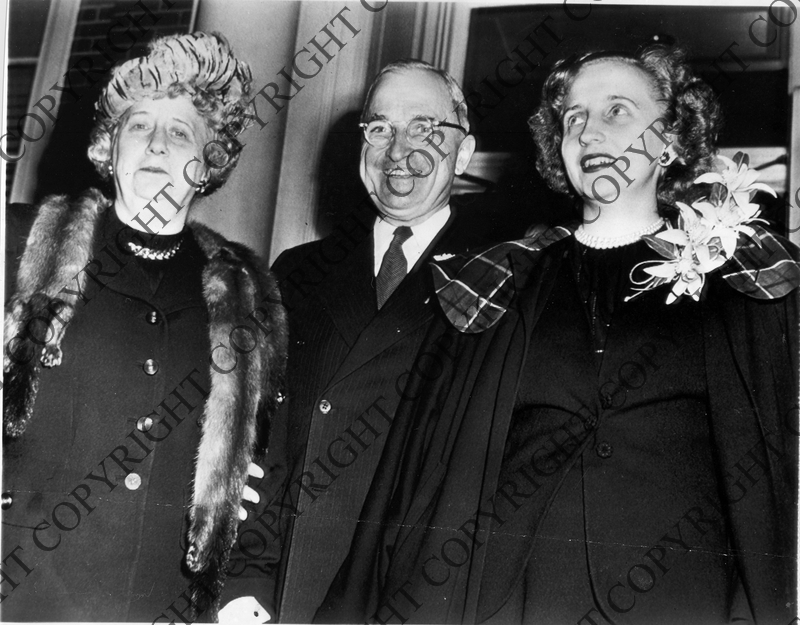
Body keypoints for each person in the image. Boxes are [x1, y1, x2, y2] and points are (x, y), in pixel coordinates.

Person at [316, 45, 799, 624]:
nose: (591, 133)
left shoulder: (746, 280)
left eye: (617, 111)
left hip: (683, 598)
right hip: (514, 598)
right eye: (574, 119)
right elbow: (418, 479)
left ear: (668, 139)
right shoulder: (498, 282)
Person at [2, 32, 287, 622]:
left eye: (180, 130)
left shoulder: (248, 294)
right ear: (111, 147)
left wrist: (243, 587)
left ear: (207, 162)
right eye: (139, 125)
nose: (157, 142)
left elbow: (263, 459)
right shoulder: (17, 244)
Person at [227, 59, 489, 622]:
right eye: (380, 128)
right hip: (291, 586)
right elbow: (260, 436)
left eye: (425, 128)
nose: (399, 150)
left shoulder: (502, 273)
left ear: (462, 153)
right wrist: (245, 581)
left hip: (420, 591)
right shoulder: (296, 272)